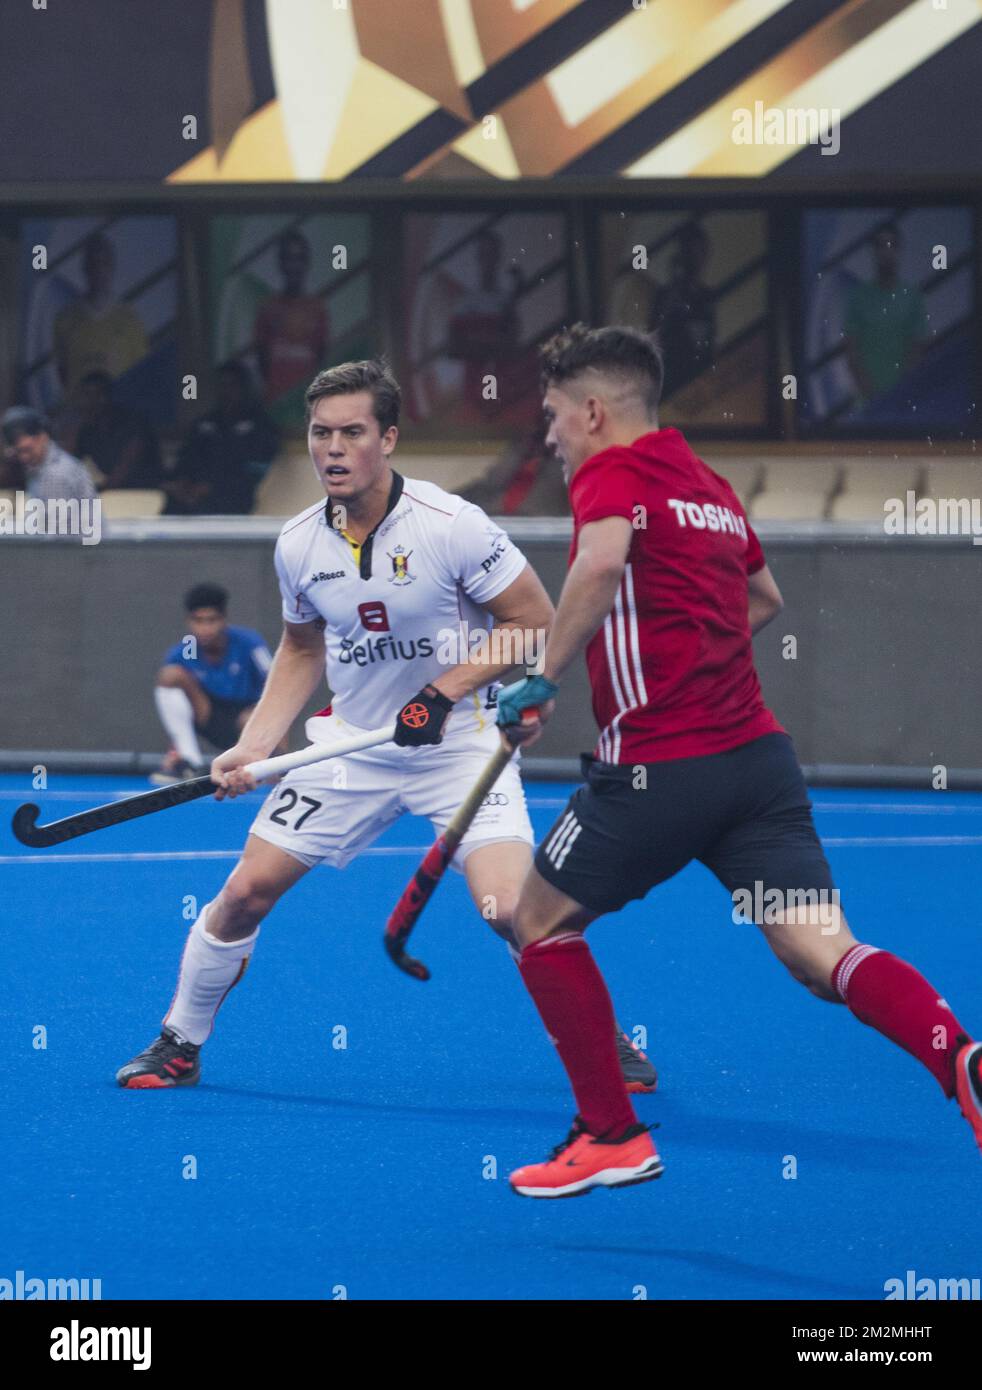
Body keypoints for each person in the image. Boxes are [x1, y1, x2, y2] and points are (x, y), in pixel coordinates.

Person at [493, 323, 982, 1198]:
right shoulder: (709, 485)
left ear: (595, 411)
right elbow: (764, 598)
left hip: (658, 764)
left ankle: (610, 1134)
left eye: (556, 418)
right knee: (823, 953)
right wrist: (686, 656)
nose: (554, 438)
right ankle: (961, 1058)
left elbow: (600, 566)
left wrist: (541, 681)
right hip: (757, 762)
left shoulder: (614, 471)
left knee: (537, 920)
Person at [117, 358, 656, 1093]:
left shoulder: (452, 526)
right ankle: (179, 1041)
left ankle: (604, 1038)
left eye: (351, 432)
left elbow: (531, 620)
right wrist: (256, 745)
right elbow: (303, 646)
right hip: (352, 748)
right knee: (244, 892)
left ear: (389, 437)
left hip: (460, 746)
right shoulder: (299, 542)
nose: (332, 449)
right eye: (319, 433)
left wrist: (445, 690)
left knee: (513, 910)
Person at [151, 583, 274, 784]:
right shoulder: (187, 650)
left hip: (248, 723)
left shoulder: (249, 643)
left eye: (212, 620)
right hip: (209, 717)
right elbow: (174, 702)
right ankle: (190, 762)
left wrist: (278, 750)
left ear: (224, 619)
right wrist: (175, 749)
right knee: (170, 675)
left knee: (250, 716)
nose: (205, 628)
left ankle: (264, 763)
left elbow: (276, 687)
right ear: (189, 622)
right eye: (198, 621)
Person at [163, 360, 280, 515]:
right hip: (190, 497)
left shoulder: (260, 426)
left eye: (232, 385)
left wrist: (210, 486)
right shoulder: (205, 423)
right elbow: (187, 457)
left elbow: (256, 467)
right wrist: (182, 481)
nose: (226, 391)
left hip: (235, 499)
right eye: (221, 385)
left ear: (245, 389)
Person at [53, 232, 148, 400]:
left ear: (112, 268)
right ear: (85, 269)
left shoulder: (130, 320)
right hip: (79, 414)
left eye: (104, 264)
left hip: (119, 414)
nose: (99, 272)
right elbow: (63, 374)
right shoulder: (65, 319)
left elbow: (140, 375)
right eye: (93, 265)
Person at [843, 222, 928, 406]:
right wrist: (872, 396)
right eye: (881, 245)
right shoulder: (858, 297)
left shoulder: (912, 297)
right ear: (873, 252)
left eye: (891, 245)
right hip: (867, 405)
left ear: (899, 250)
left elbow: (917, 350)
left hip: (903, 402)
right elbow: (851, 353)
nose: (886, 252)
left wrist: (899, 393)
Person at [254, 229, 329, 423]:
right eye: (288, 258)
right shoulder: (268, 308)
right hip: (275, 403)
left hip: (310, 405)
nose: (294, 265)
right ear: (280, 263)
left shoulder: (317, 308)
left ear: (307, 263)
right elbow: (261, 357)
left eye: (299, 258)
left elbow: (322, 358)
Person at [74, 370, 161, 490]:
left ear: (104, 397)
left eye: (89, 396)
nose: (83, 403)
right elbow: (68, 466)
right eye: (82, 396)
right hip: (115, 494)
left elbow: (121, 473)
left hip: (146, 495)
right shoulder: (88, 431)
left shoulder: (133, 423)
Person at [1, 406, 98, 505]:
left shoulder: (55, 473)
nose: (23, 457)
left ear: (42, 437)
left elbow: (58, 520)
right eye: (18, 451)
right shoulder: (42, 466)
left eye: (27, 449)